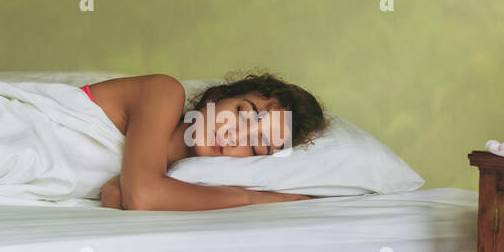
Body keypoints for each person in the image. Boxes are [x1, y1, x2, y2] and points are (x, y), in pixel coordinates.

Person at [83, 72, 327, 210]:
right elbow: (142, 197)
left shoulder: (162, 175)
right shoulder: (164, 91)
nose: (235, 137)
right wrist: (255, 199)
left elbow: (115, 195)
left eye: (254, 146)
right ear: (215, 98)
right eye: (242, 114)